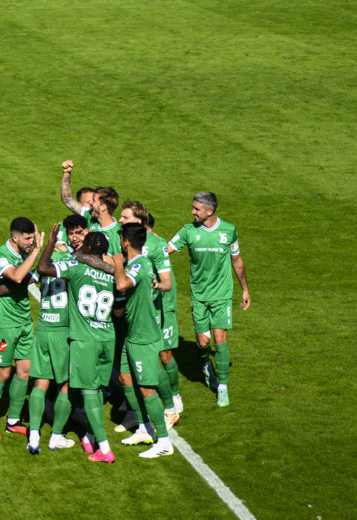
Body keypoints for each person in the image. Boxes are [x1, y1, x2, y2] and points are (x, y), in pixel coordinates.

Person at [166, 190, 249, 407]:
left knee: (219, 338)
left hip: (222, 294)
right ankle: (205, 364)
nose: (192, 212)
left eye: (196, 209)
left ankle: (222, 387)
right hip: (199, 296)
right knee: (203, 342)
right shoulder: (187, 231)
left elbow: (237, 260)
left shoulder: (228, 230)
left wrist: (245, 289)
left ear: (209, 211)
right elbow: (165, 250)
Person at [60, 226, 126, 462]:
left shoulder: (77, 266)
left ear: (87, 247)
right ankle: (89, 435)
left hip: (85, 340)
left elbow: (45, 269)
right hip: (107, 338)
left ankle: (105, 448)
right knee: (97, 389)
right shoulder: (113, 274)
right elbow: (118, 311)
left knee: (88, 392)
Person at [117, 221, 177, 458]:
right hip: (135, 334)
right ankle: (144, 427)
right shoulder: (140, 263)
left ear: (126, 242)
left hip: (142, 336)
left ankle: (163, 442)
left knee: (147, 389)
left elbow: (122, 283)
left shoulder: (138, 266)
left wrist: (117, 263)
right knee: (126, 377)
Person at [25, 214, 83, 455]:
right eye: (73, 233)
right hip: (63, 331)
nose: (75, 237)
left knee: (40, 383)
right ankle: (56, 436)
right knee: (65, 386)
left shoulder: (53, 257)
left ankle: (34, 434)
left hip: (44, 327)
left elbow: (30, 279)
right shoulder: (77, 261)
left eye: (78, 232)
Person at [0, 216, 43, 440]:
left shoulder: (23, 252)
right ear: (14, 237)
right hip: (4, 324)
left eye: (33, 238)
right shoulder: (0, 256)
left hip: (24, 321)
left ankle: (13, 421)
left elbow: (27, 278)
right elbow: (17, 277)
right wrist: (36, 251)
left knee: (24, 372)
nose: (30, 242)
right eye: (27, 239)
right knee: (3, 372)